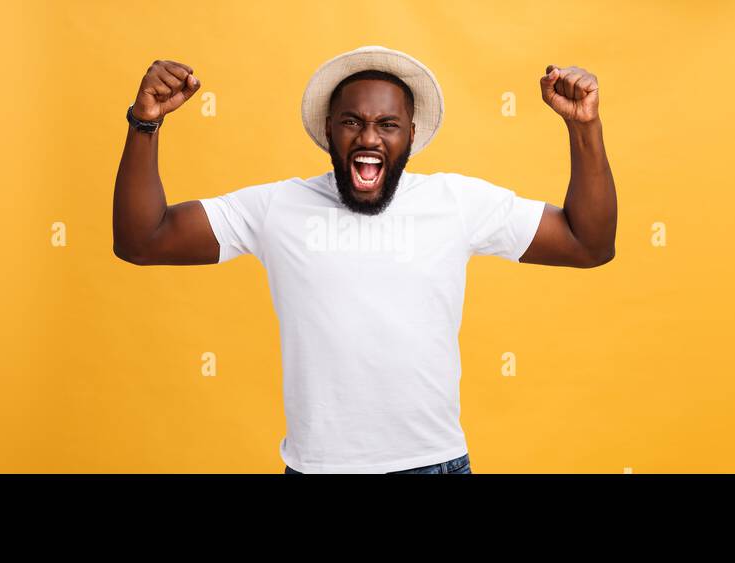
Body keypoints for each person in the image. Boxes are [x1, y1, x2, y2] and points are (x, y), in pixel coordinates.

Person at [112, 46, 617, 474]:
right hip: (318, 468)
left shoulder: (457, 203)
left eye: (388, 124)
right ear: (328, 131)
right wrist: (145, 122)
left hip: (433, 463)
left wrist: (584, 128)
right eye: (352, 122)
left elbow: (587, 244)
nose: (369, 137)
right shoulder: (276, 207)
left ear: (411, 136)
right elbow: (143, 240)